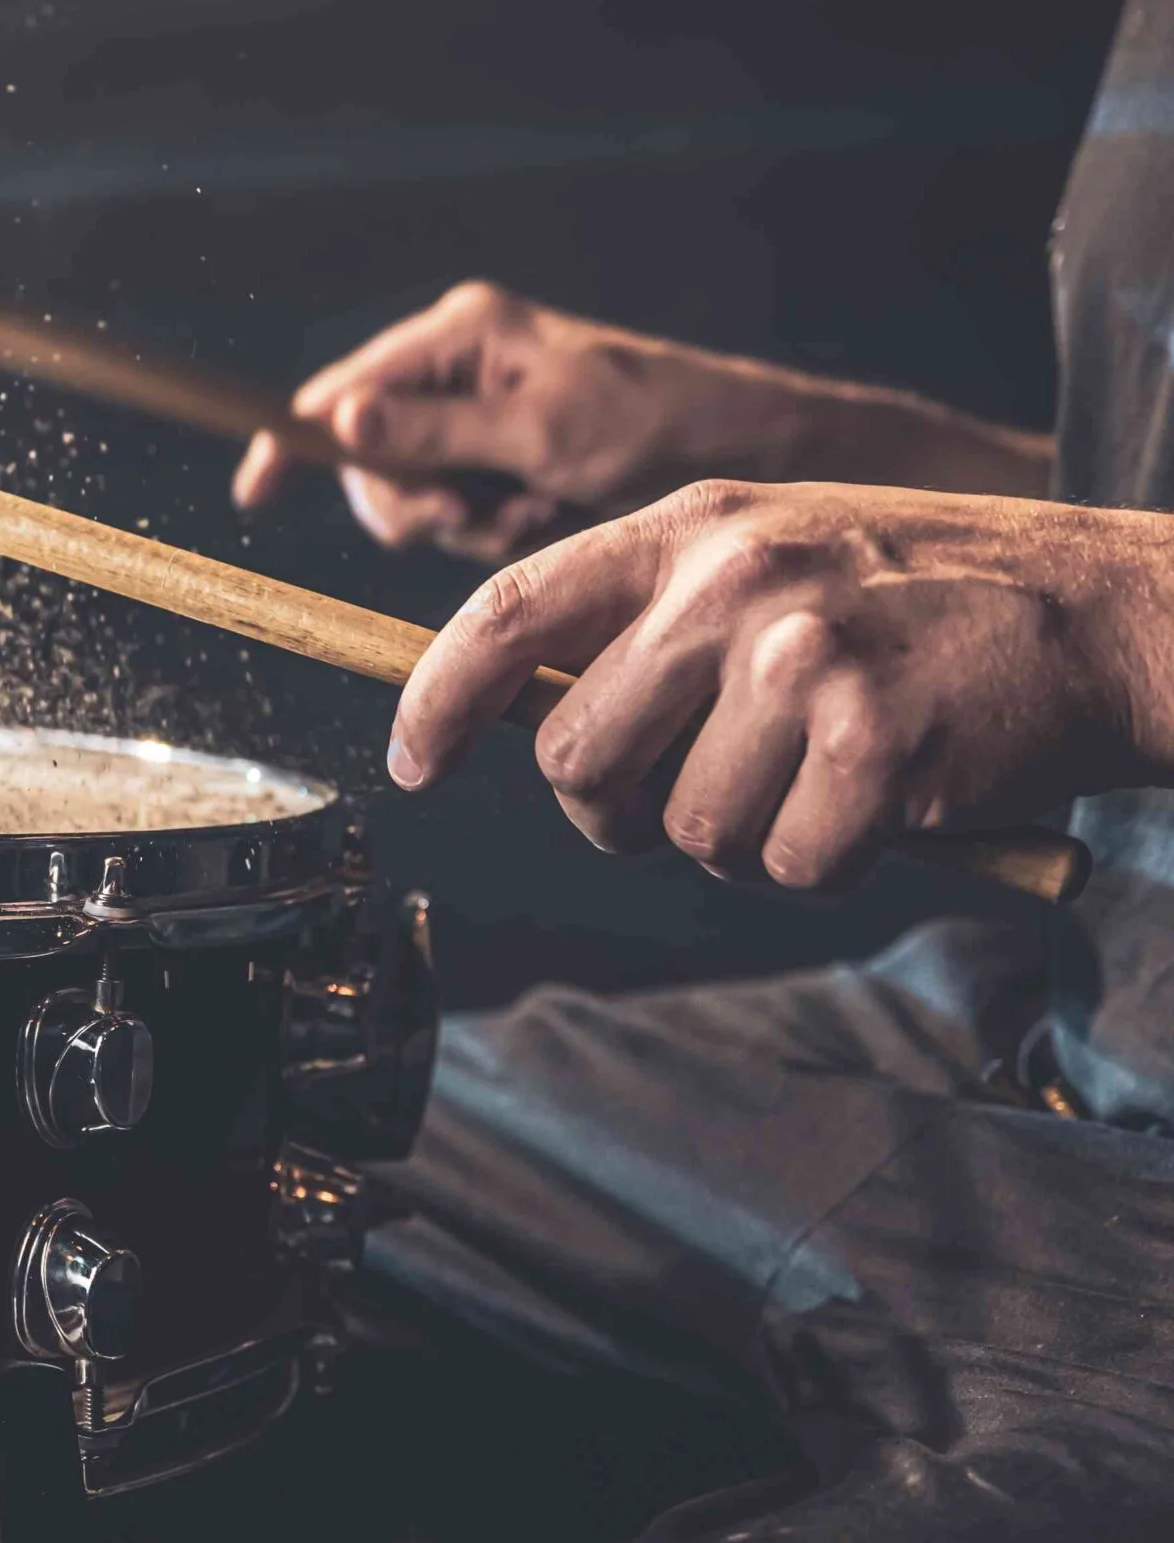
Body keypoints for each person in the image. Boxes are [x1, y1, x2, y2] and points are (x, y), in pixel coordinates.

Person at [231, 5, 1174, 1536]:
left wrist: (1116, 623)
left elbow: (1116, 593)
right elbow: (1128, 510)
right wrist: (772, 443)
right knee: (203, 1165)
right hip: (1071, 1010)